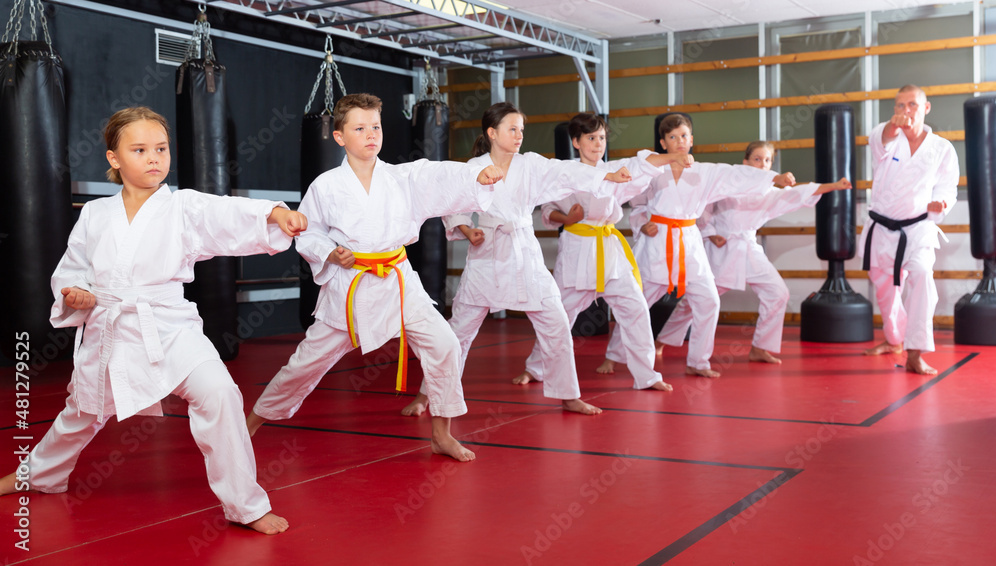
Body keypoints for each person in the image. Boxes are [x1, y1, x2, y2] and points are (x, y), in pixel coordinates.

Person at [0, 106, 304, 534]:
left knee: (220, 394)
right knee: (82, 412)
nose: (154, 158)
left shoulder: (181, 206)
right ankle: (39, 474)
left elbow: (226, 212)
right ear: (114, 158)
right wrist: (75, 292)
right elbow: (73, 269)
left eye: (160, 148)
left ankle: (246, 505)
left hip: (168, 325)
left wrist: (274, 214)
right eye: (140, 149)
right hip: (112, 327)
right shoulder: (95, 214)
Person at [247, 93, 502, 463]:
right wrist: (331, 253)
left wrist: (474, 176)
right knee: (304, 364)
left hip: (398, 279)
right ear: (339, 137)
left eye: (376, 127)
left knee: (445, 344)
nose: (371, 134)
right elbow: (308, 232)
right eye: (360, 128)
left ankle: (441, 434)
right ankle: (252, 422)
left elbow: (436, 174)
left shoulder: (401, 177)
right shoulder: (326, 185)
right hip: (352, 286)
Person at [400, 103, 632, 417]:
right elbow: (451, 202)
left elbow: (565, 170)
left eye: (521, 129)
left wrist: (606, 173)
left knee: (557, 324)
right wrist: (468, 230)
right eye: (512, 129)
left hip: (526, 257)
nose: (519, 135)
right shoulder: (474, 168)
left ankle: (568, 395)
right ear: (492, 133)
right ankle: (426, 395)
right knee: (458, 334)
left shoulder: (531, 165)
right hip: (488, 258)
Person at [603, 114, 795, 378]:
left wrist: (774, 178)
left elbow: (736, 175)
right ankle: (613, 356)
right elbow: (637, 206)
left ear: (691, 140)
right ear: (663, 142)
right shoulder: (652, 170)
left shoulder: (705, 172)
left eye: (684, 136)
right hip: (656, 244)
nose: (680, 141)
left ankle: (698, 361)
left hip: (689, 243)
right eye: (672, 137)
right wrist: (643, 223)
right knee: (637, 303)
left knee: (708, 301)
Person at [536, 112, 693, 391]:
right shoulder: (563, 173)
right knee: (559, 315)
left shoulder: (616, 169)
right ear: (576, 141)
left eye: (602, 138)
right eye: (591, 138)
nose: (598, 144)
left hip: (609, 250)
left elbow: (642, 164)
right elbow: (548, 210)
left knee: (635, 308)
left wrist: (672, 157)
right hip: (578, 250)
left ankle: (646, 375)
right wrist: (567, 218)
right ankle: (536, 367)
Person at [658, 141, 852, 364]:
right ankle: (661, 341)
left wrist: (834, 185)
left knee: (778, 293)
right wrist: (711, 232)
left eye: (767, 160)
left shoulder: (769, 193)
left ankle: (761, 347)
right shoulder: (728, 183)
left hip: (748, 248)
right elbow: (702, 207)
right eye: (757, 159)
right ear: (745, 162)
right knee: (695, 301)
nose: (762, 165)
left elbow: (798, 193)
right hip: (721, 249)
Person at [861, 85, 958, 375]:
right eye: (901, 105)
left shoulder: (941, 148)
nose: (906, 111)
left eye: (913, 104)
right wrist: (893, 125)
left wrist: (943, 202)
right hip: (882, 228)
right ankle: (894, 341)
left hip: (918, 228)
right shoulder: (886, 135)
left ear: (926, 108)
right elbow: (883, 138)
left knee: (923, 278)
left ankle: (915, 352)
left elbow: (947, 185)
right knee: (886, 293)